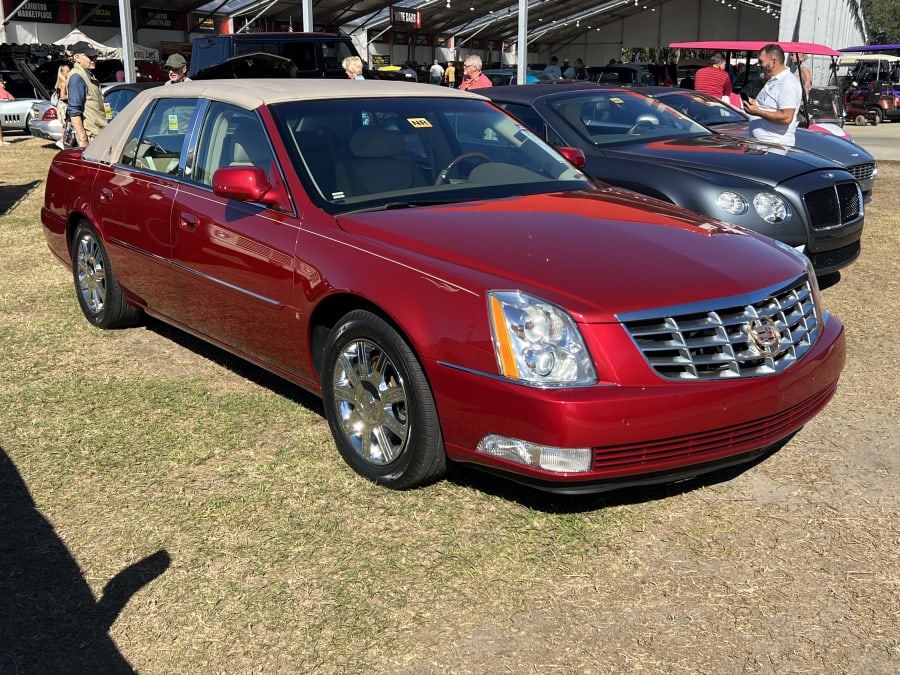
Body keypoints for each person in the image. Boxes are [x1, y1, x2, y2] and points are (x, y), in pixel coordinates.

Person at [743, 44, 803, 147]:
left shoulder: (787, 83)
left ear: (773, 62)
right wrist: (755, 104)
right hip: (762, 145)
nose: (758, 64)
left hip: (774, 146)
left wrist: (757, 111)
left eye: (761, 61)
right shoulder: (774, 80)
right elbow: (769, 106)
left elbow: (786, 117)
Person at [65, 41, 108, 149]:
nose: (94, 59)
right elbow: (74, 112)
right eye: (90, 56)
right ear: (77, 58)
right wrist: (83, 140)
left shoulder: (89, 76)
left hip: (100, 133)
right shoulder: (77, 77)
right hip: (91, 136)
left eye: (95, 56)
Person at [53, 64, 71, 149]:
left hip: (61, 105)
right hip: (64, 105)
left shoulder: (59, 83)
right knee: (66, 124)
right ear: (62, 73)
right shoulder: (63, 83)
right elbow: (63, 96)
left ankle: (62, 141)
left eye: (69, 70)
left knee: (66, 124)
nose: (69, 73)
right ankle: (62, 141)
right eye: (67, 71)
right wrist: (72, 95)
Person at [0, 78, 14, 146]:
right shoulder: (1, 90)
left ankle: (1, 141)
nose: (4, 84)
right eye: (3, 83)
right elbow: (6, 98)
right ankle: (0, 141)